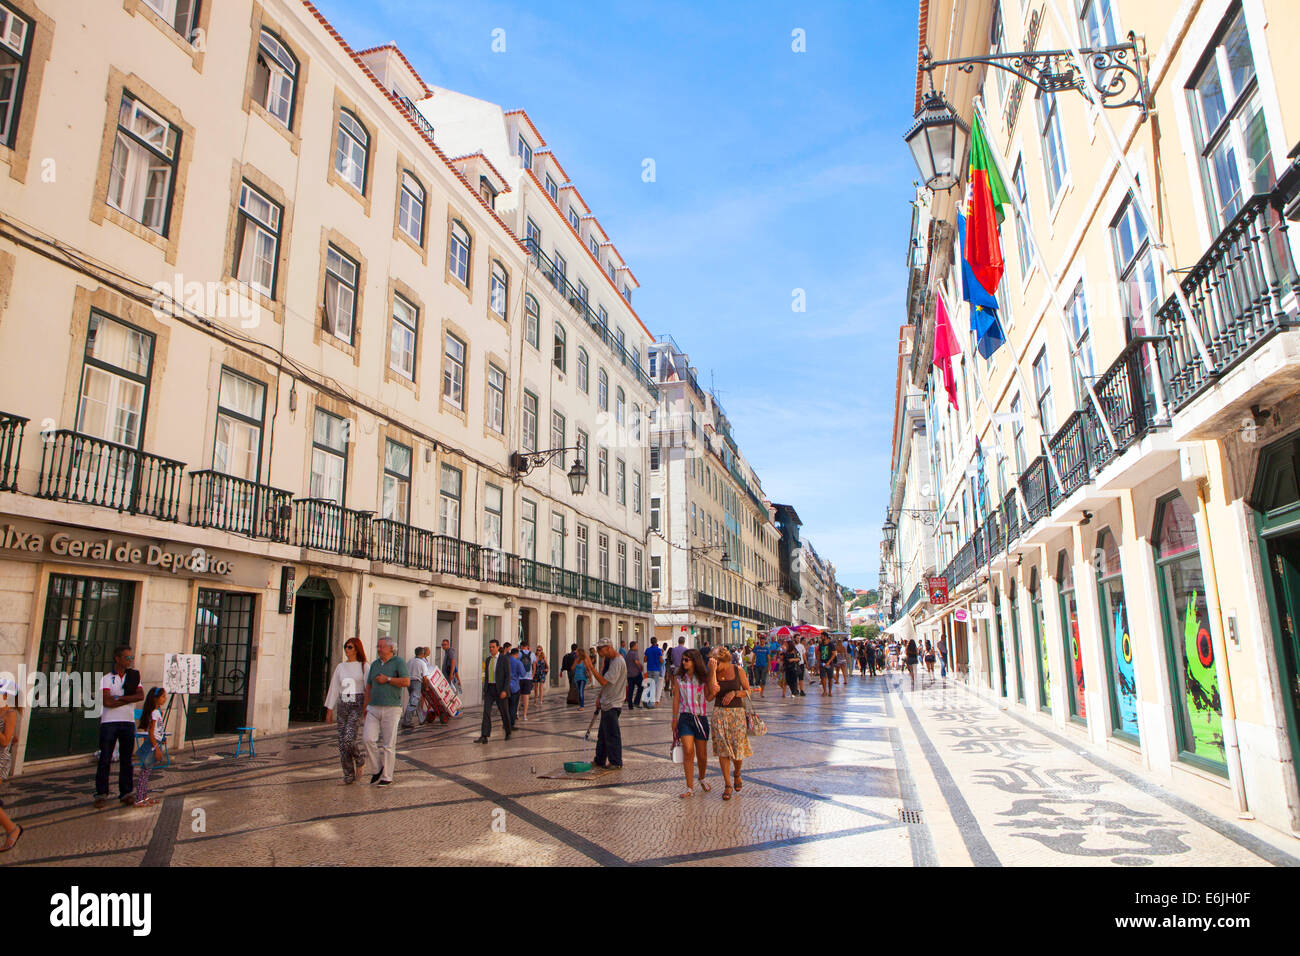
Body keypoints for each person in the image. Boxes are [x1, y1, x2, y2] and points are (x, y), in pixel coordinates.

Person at [94, 645, 145, 808]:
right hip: (109, 722)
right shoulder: (107, 678)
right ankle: (101, 793)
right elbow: (107, 701)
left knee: (126, 759)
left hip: (128, 721)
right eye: (127, 657)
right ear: (118, 659)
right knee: (105, 758)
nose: (130, 660)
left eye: (131, 658)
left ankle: (126, 793)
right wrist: (128, 698)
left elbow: (140, 695)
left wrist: (120, 698)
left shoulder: (134, 677)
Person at [707, 648, 752, 800]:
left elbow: (748, 691)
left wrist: (734, 693)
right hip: (719, 713)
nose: (713, 664)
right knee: (723, 751)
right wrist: (713, 672)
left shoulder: (738, 670)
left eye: (715, 662)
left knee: (737, 751)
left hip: (736, 714)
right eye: (711, 662)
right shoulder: (712, 672)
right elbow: (710, 694)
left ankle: (737, 773)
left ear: (724, 660)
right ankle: (727, 784)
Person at [364, 637, 410, 784]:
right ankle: (377, 768)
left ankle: (387, 776)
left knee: (389, 744)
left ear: (391, 648)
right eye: (378, 646)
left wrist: (388, 679)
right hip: (373, 707)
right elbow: (369, 686)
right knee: (368, 739)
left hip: (392, 707)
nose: (378, 649)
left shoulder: (399, 662)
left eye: (381, 647)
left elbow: (406, 681)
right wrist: (365, 706)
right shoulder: (375, 664)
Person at [671, 648, 714, 797]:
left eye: (686, 660)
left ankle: (701, 777)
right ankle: (689, 787)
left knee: (702, 755)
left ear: (695, 661)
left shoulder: (703, 678)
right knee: (688, 751)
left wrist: (713, 680)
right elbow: (676, 698)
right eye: (683, 660)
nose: (683, 662)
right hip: (685, 718)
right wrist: (674, 718)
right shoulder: (679, 678)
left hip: (700, 718)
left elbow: (709, 697)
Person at [325, 638, 368, 783]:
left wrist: (367, 707)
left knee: (349, 738)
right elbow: (334, 687)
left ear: (356, 649)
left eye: (349, 647)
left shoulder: (364, 666)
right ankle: (348, 774)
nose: (347, 650)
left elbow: (369, 688)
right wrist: (329, 709)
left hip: (357, 703)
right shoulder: (340, 667)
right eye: (346, 647)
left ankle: (359, 759)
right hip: (343, 703)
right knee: (342, 742)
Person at [587, 639, 627, 769]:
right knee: (603, 734)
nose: (598, 652)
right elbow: (608, 685)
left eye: (600, 649)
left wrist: (592, 668)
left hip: (613, 703)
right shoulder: (611, 661)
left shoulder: (617, 662)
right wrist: (600, 696)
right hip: (607, 701)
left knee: (612, 734)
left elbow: (604, 681)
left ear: (608, 648)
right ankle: (599, 759)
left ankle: (616, 761)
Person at [133, 687, 167, 807]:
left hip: (156, 743)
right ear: (155, 698)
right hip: (152, 745)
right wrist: (156, 748)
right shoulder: (154, 712)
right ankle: (139, 799)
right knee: (145, 773)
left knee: (147, 773)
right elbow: (151, 733)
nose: (165, 699)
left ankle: (144, 796)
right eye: (163, 696)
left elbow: (158, 730)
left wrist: (162, 738)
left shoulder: (157, 711)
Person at [477, 638, 512, 743]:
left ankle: (508, 732)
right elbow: (487, 675)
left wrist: (505, 690)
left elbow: (508, 676)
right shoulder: (488, 660)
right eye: (490, 647)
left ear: (498, 647)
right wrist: (485, 689)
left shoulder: (504, 659)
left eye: (493, 647)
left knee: (504, 712)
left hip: (500, 690)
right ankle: (484, 735)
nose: (491, 649)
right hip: (489, 689)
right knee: (486, 712)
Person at [0, 678, 20, 851]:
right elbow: (13, 738)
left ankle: (13, 829)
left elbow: (5, 741)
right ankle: (12, 829)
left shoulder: (10, 714)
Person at [404, 647, 429, 730]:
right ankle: (406, 721)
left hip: (409, 682)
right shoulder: (422, 663)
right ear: (422, 654)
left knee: (416, 700)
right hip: (416, 682)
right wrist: (426, 686)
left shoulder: (410, 661)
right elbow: (425, 677)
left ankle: (421, 719)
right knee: (413, 702)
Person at [643, 637, 663, 708]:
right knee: (654, 686)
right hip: (656, 670)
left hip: (649, 669)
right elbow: (661, 660)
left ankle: (647, 700)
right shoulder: (658, 650)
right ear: (656, 642)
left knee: (649, 685)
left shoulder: (647, 650)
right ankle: (650, 704)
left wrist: (650, 658)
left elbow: (645, 660)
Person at [517, 642, 535, 722]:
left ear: (521, 646)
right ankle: (524, 715)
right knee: (526, 697)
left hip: (519, 677)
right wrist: (532, 676)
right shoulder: (532, 654)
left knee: (518, 696)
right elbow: (534, 666)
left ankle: (516, 713)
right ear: (528, 646)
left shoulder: (519, 654)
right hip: (528, 678)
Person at [625, 640, 644, 709]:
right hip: (636, 674)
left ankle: (630, 705)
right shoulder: (634, 653)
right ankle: (636, 702)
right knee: (641, 687)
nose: (637, 647)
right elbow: (636, 662)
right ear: (634, 646)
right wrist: (641, 667)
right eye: (636, 645)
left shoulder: (628, 654)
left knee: (631, 689)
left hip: (629, 674)